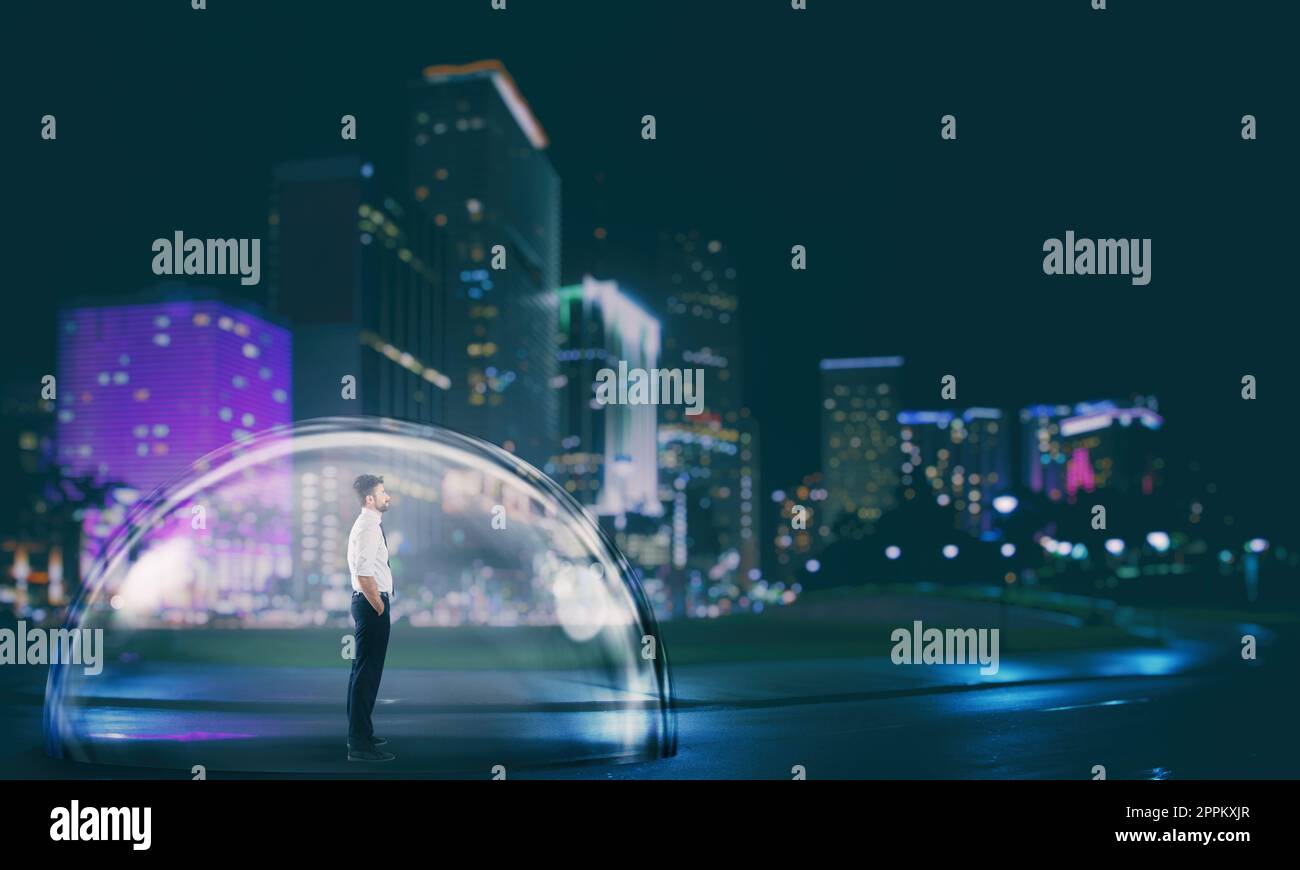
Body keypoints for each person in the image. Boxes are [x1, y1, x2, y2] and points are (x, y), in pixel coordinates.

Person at [346, 473, 396, 762]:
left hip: (369, 604)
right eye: (382, 491)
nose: (386, 496)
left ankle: (361, 734)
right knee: (366, 676)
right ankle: (360, 745)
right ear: (369, 499)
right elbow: (364, 573)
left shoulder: (370, 525)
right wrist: (379, 605)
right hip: (370, 605)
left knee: (363, 674)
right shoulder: (367, 527)